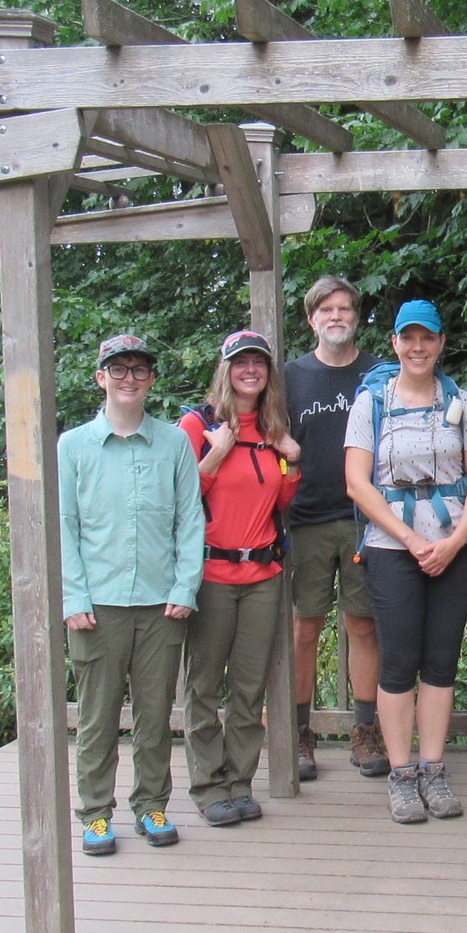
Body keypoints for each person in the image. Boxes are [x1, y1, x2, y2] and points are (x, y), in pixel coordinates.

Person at [344, 300, 467, 823]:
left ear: (440, 342)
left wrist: (454, 543)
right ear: (394, 343)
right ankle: (402, 774)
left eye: (426, 338)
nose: (417, 347)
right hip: (392, 548)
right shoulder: (371, 403)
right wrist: (410, 538)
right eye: (408, 338)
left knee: (440, 660)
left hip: (455, 547)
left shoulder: (463, 402)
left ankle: (433, 767)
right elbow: (357, 482)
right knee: (399, 661)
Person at [58, 334, 205, 856]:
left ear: (151, 380)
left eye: (139, 370)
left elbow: (191, 520)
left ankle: (151, 805)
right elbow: (63, 527)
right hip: (97, 608)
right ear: (100, 378)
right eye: (117, 370)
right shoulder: (73, 446)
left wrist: (186, 585)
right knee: (96, 717)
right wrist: (73, 598)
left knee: (155, 714)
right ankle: (96, 814)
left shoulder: (174, 444)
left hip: (162, 605)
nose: (128, 379)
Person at [177, 330, 301, 827]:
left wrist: (292, 458)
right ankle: (208, 786)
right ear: (225, 369)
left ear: (268, 372)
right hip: (211, 572)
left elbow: (283, 499)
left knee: (249, 687)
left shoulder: (273, 428)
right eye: (240, 362)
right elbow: (177, 497)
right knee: (205, 685)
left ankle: (239, 782)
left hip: (264, 573)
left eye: (259, 362)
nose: (250, 370)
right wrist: (215, 454)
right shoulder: (198, 423)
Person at [282, 275, 387, 780]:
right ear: (311, 319)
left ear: (357, 317)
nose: (336, 316)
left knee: (363, 626)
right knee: (304, 629)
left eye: (345, 308)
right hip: (304, 519)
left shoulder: (378, 373)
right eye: (326, 310)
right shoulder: (289, 377)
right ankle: (300, 735)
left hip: (366, 521)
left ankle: (365, 732)